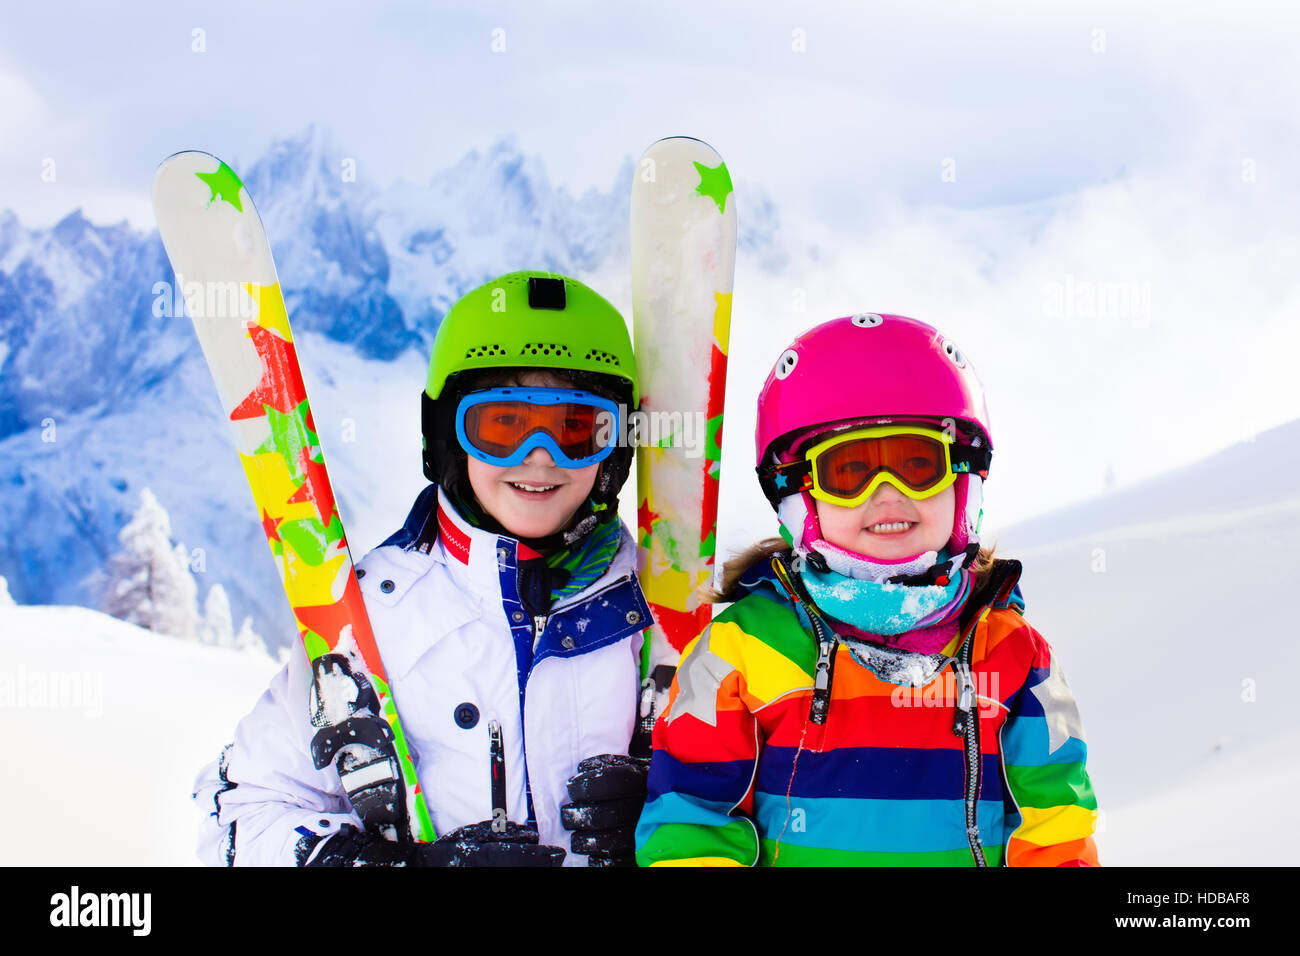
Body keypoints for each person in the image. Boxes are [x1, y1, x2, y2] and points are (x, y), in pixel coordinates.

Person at [193, 271, 652, 866]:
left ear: (614, 448)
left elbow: (767, 806)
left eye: (575, 429)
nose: (539, 457)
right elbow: (236, 813)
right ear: (448, 437)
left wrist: (672, 817)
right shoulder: (368, 620)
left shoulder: (658, 611)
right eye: (502, 425)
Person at [635, 312, 1100, 866]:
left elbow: (1056, 833)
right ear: (799, 497)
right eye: (849, 471)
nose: (886, 494)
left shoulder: (1013, 654)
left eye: (917, 464)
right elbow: (691, 819)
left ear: (963, 481)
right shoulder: (741, 651)